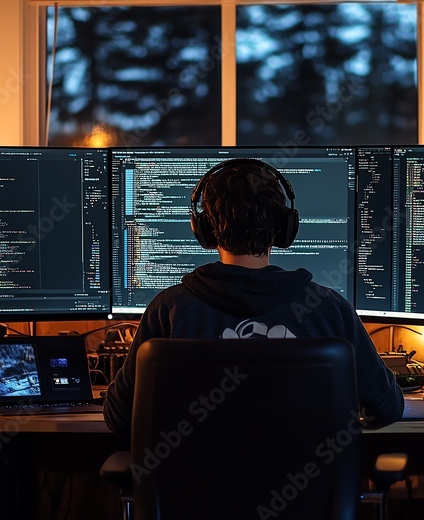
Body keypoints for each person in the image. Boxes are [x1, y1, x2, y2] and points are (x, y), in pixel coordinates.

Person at [103, 158, 404, 433]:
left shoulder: (167, 311)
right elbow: (386, 408)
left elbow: (118, 417)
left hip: (196, 492)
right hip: (309, 491)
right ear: (284, 228)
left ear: (204, 229)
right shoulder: (329, 310)